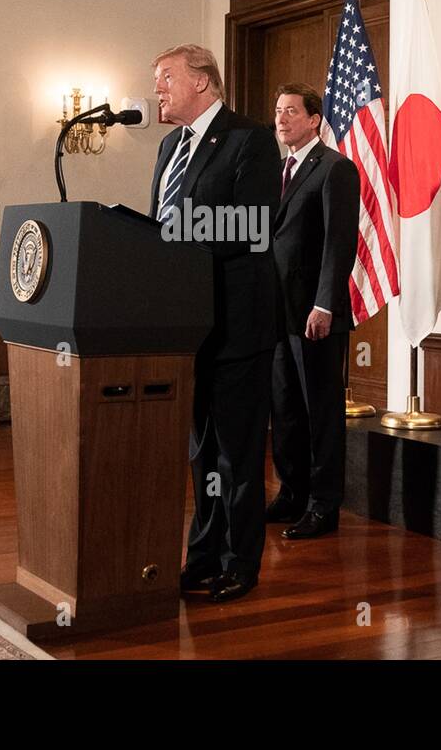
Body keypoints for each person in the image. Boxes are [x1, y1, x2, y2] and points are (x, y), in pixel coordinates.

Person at [149, 44, 279, 603]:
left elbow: (251, 224)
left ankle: (239, 562)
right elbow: (158, 223)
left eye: (166, 78)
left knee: (238, 453)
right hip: (186, 325)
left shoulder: (248, 139)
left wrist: (175, 235)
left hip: (238, 323)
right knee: (201, 452)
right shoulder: (167, 146)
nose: (158, 89)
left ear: (202, 81)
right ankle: (202, 555)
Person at [267, 84, 359, 539]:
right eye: (277, 111)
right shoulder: (275, 170)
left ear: (314, 119)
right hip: (276, 314)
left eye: (290, 112)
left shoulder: (335, 169)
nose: (280, 119)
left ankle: (324, 506)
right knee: (284, 408)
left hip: (315, 316)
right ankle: (292, 493)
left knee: (320, 411)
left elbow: (339, 243)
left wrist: (324, 303)